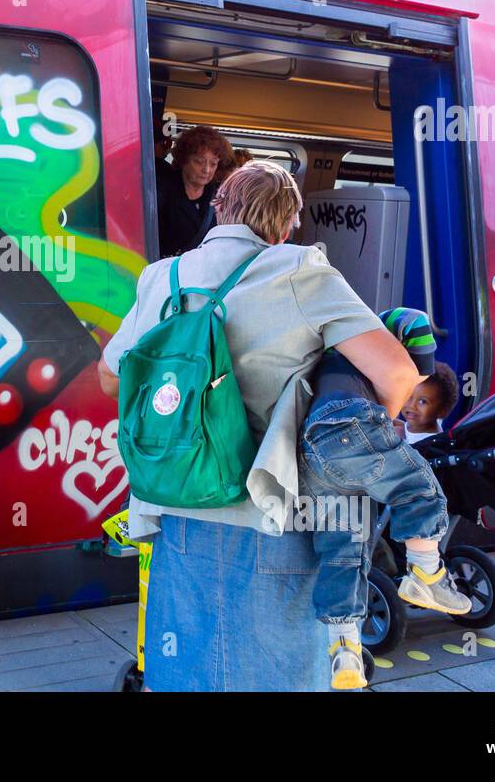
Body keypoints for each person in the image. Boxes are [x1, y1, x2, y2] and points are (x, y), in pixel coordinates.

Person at [98, 160, 421, 691]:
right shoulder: (300, 270)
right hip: (269, 517)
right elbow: (398, 374)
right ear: (287, 225)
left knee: (189, 674)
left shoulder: (162, 276)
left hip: (175, 513)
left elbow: (111, 381)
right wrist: (335, 453)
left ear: (219, 207)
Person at [299, 310, 471, 690]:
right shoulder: (372, 342)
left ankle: (343, 648)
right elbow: (413, 323)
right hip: (346, 424)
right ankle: (426, 572)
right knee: (420, 486)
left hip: (312, 453)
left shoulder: (332, 356)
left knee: (343, 549)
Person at [155, 125, 236, 258]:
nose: (207, 170)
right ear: (184, 160)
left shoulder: (221, 199)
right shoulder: (162, 193)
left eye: (213, 164)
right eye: (199, 162)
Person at [401, 361, 460, 444]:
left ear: (442, 411)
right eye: (409, 396)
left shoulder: (428, 445)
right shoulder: (420, 423)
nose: (412, 405)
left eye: (422, 401)